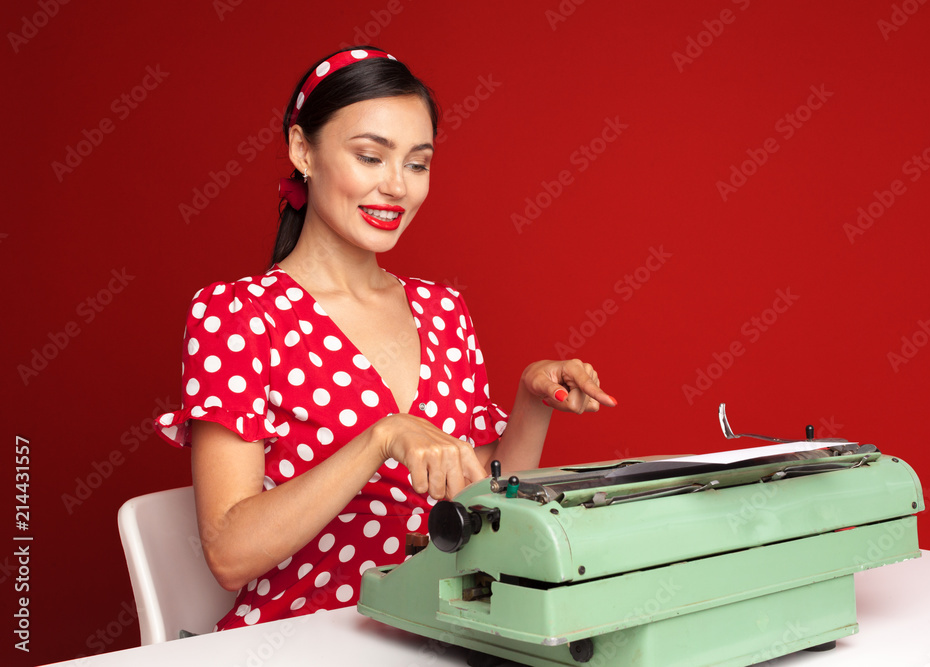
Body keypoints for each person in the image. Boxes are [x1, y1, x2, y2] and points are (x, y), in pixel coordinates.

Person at [155, 46, 616, 631]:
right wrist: (379, 437)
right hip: (310, 634)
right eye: (371, 157)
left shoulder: (443, 310)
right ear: (303, 150)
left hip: (445, 623)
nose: (397, 186)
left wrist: (531, 400)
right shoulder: (238, 315)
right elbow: (228, 552)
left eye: (418, 164)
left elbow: (482, 496)